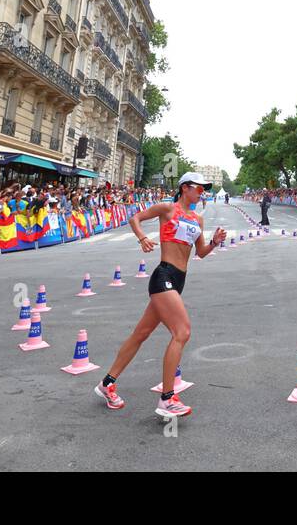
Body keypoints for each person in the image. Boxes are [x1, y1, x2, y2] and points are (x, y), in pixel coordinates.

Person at [94, 173, 224, 418]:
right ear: (185, 188)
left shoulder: (198, 219)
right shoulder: (168, 208)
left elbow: (201, 253)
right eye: (200, 188)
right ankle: (167, 398)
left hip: (179, 280)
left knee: (141, 334)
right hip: (163, 276)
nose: (203, 193)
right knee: (182, 332)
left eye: (205, 190)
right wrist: (142, 237)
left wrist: (215, 242)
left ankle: (107, 383)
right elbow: (135, 218)